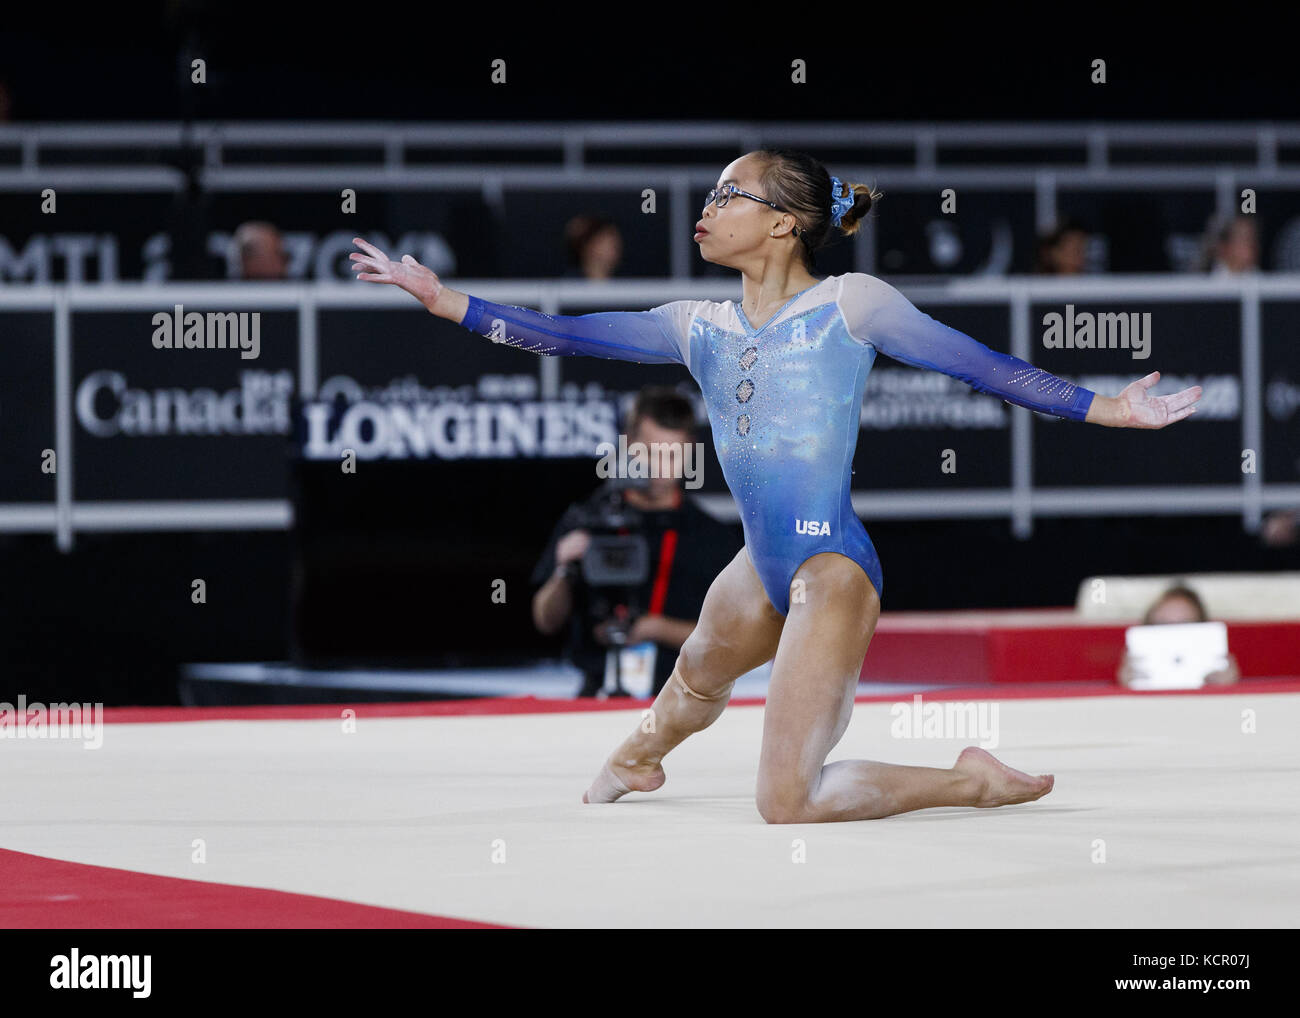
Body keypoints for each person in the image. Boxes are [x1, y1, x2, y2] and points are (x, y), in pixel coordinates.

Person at [349, 147, 1203, 824]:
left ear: (786, 225)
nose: (708, 210)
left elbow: (981, 366)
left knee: (786, 801)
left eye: (730, 196)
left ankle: (970, 781)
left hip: (831, 570)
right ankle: (637, 758)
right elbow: (565, 335)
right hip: (759, 564)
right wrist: (444, 301)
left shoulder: (852, 305)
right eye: (713, 194)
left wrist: (1107, 410)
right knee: (691, 682)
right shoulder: (697, 326)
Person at [530, 386, 742, 697]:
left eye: (672, 455)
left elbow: (732, 637)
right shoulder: (587, 520)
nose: (660, 468)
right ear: (629, 445)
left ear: (690, 452)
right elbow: (545, 620)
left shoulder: (713, 537)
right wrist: (564, 569)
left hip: (682, 700)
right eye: (650, 453)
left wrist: (656, 628)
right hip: (594, 698)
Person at [1117, 585, 1240, 687]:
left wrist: (1227, 694)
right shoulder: (1131, 678)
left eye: (1186, 625)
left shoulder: (1222, 681)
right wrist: (1126, 693)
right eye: (1162, 625)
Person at [563, 215, 623, 280]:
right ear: (588, 246)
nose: (614, 248)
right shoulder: (568, 285)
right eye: (605, 242)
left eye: (615, 244)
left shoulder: (625, 286)